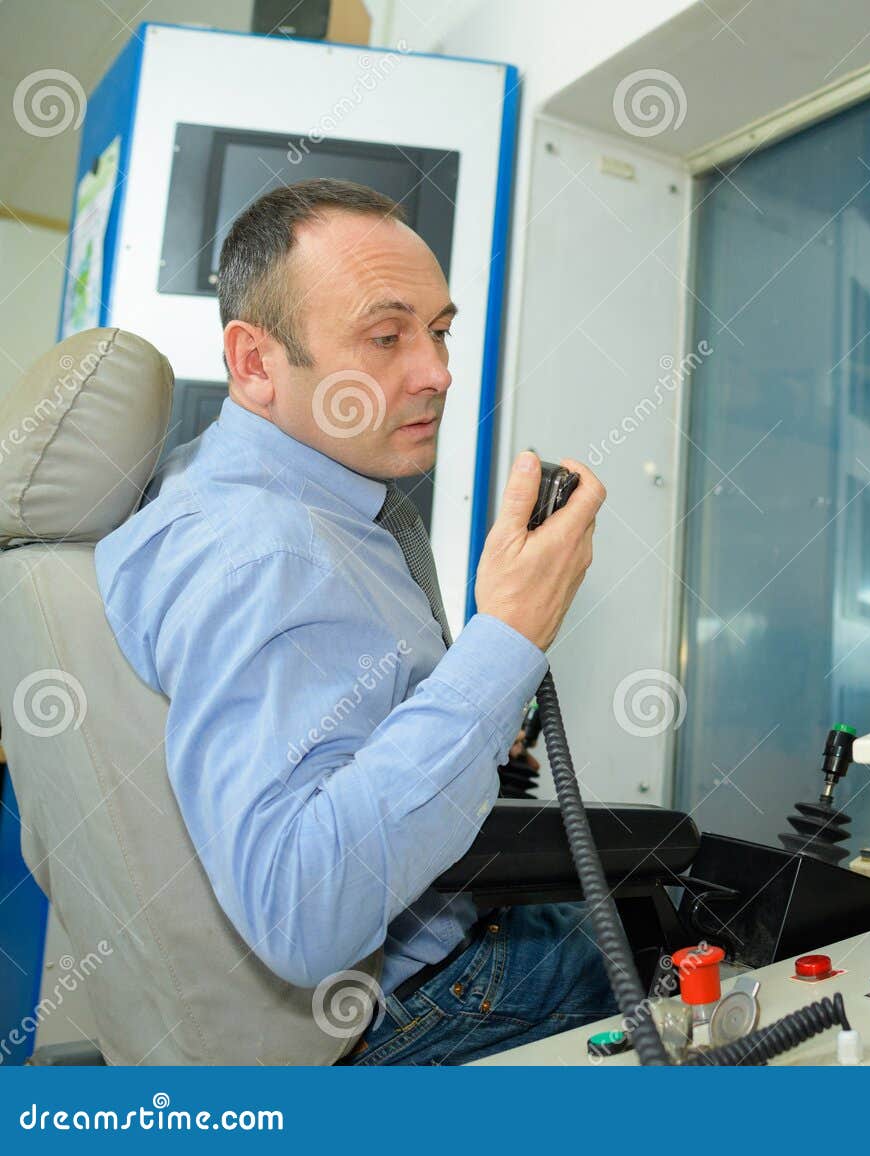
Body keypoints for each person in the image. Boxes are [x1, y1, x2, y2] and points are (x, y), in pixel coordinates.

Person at [96, 178, 614, 1064]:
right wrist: (509, 636)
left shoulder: (226, 483)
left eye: (439, 330)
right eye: (386, 337)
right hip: (425, 1007)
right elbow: (303, 910)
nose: (438, 373)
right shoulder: (263, 552)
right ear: (257, 363)